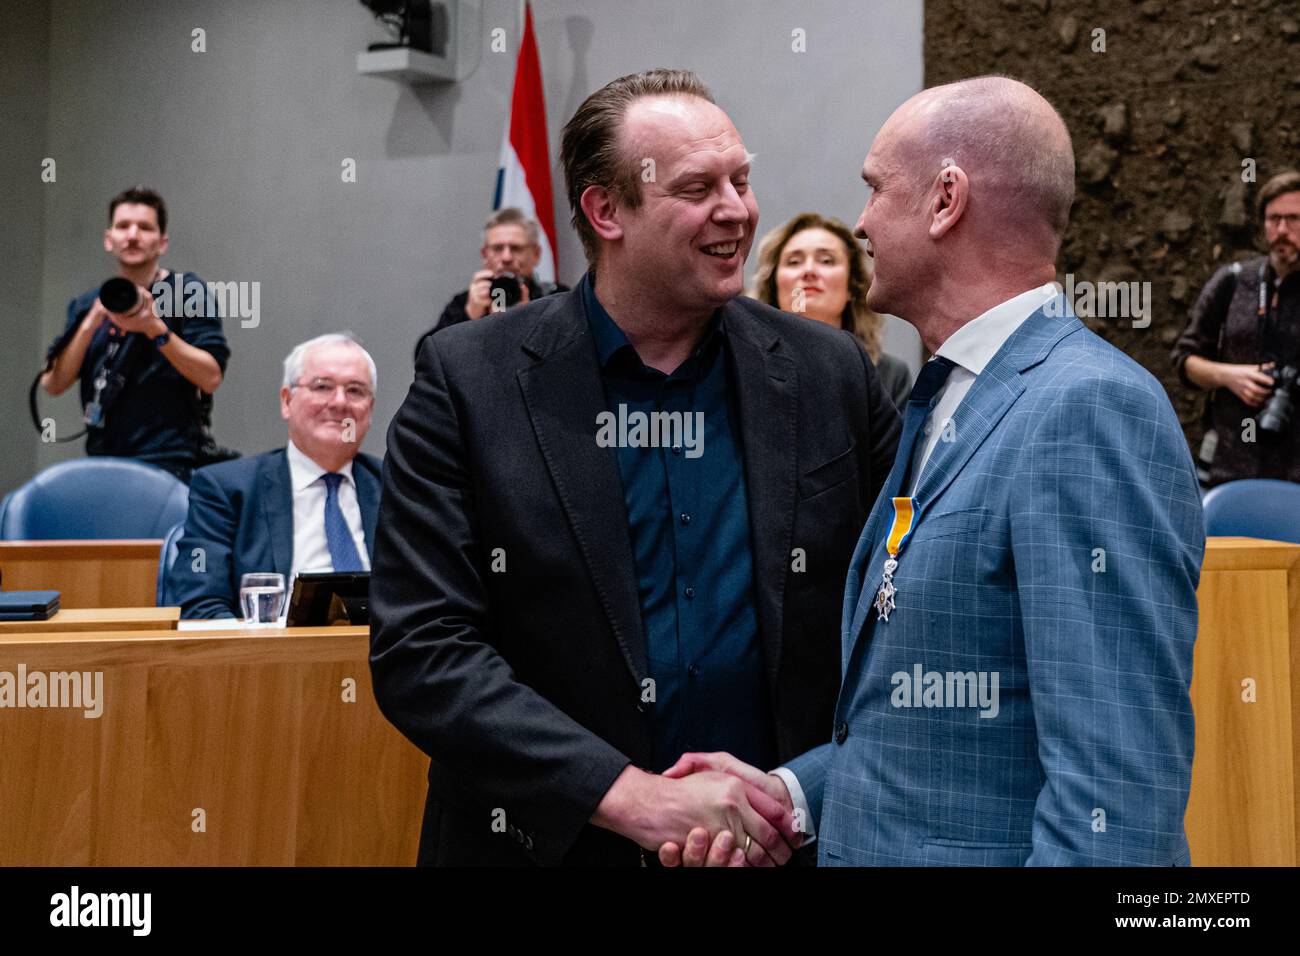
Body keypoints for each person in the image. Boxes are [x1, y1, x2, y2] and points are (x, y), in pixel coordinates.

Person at [661, 75, 1204, 867]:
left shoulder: (1086, 408)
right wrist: (793, 796)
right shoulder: (949, 397)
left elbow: (1114, 803)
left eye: (876, 189)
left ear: (946, 199)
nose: (861, 221)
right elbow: (927, 720)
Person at [370, 68, 901, 867]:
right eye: (698, 187)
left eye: (741, 178)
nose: (737, 210)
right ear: (605, 210)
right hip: (542, 848)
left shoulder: (831, 374)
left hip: (780, 848)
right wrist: (628, 797)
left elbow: (906, 609)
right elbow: (423, 650)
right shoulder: (468, 381)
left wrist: (799, 791)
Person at [165, 333, 382, 619]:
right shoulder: (224, 490)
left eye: (355, 390)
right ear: (286, 401)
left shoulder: (400, 487)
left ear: (370, 409)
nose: (339, 402)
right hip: (267, 658)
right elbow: (200, 603)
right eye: (322, 386)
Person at [39, 187, 229, 483]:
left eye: (145, 227)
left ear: (162, 243)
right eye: (123, 226)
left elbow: (210, 377)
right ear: (108, 239)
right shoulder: (87, 304)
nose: (132, 235)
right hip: (103, 461)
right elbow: (52, 384)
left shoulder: (186, 292)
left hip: (170, 462)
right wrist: (91, 322)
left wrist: (154, 328)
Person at [1171, 169, 1300, 488]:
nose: (1282, 230)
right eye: (1274, 219)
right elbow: (1184, 361)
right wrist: (1230, 377)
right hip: (1228, 467)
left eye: (1294, 219)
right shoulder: (1232, 281)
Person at [751, 212, 913, 407]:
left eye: (826, 260)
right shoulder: (745, 364)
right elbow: (703, 429)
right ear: (773, 285)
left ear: (852, 287)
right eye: (794, 262)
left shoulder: (890, 375)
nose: (809, 270)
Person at [414, 207, 569, 358]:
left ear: (536, 254)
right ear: (484, 254)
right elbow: (425, 357)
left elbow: (570, 357)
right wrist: (468, 316)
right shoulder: (468, 301)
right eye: (497, 248)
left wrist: (527, 320)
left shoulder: (556, 299)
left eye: (516, 248)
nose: (506, 257)